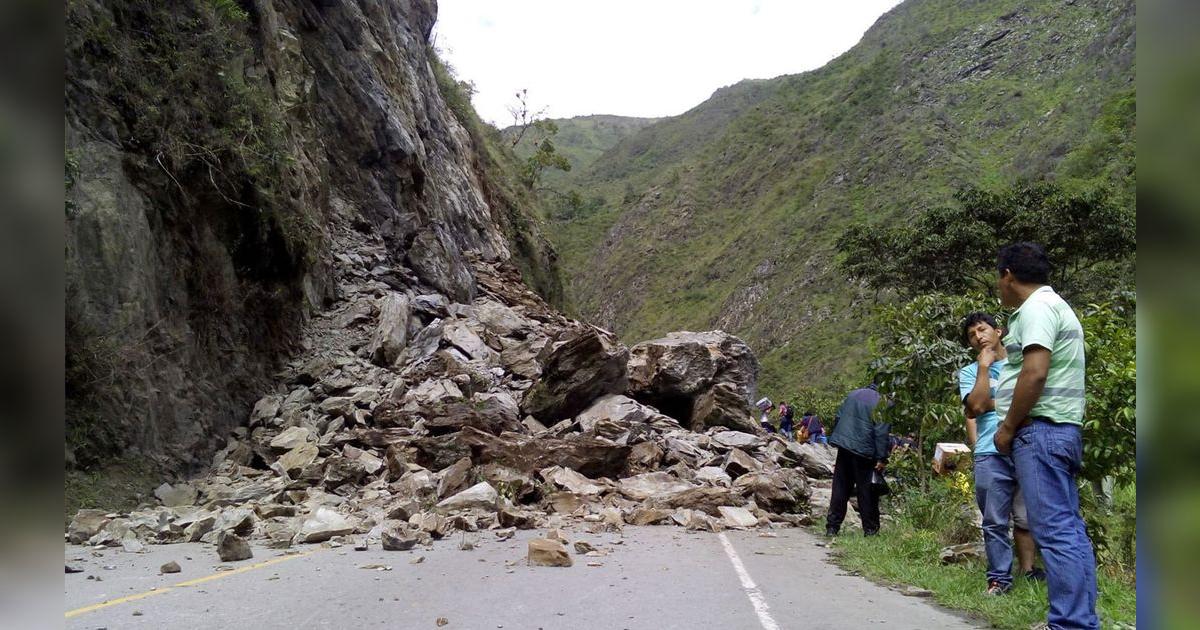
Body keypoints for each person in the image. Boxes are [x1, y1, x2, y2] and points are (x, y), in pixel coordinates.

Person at [991, 243, 1098, 629]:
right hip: (1058, 430)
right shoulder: (1054, 305)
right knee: (1068, 529)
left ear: (1007, 275)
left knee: (1054, 531)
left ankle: (1070, 623)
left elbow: (1034, 372)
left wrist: (1007, 427)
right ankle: (1081, 620)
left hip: (1040, 432)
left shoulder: (1036, 308)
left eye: (998, 278)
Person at [959, 311, 1043, 596]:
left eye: (982, 330)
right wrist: (984, 368)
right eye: (972, 335)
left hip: (1025, 445)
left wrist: (993, 402)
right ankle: (999, 579)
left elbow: (1034, 397)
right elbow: (976, 407)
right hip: (989, 451)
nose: (978, 337)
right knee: (994, 521)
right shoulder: (969, 372)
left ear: (998, 331)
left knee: (1026, 517)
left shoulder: (1021, 364)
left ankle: (1028, 570)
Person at [825, 382, 890, 537]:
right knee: (866, 492)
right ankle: (870, 530)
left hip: (844, 448)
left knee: (840, 488)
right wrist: (882, 458)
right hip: (865, 452)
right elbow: (881, 432)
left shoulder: (853, 394)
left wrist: (840, 439)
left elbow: (838, 417)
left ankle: (832, 528)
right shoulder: (883, 402)